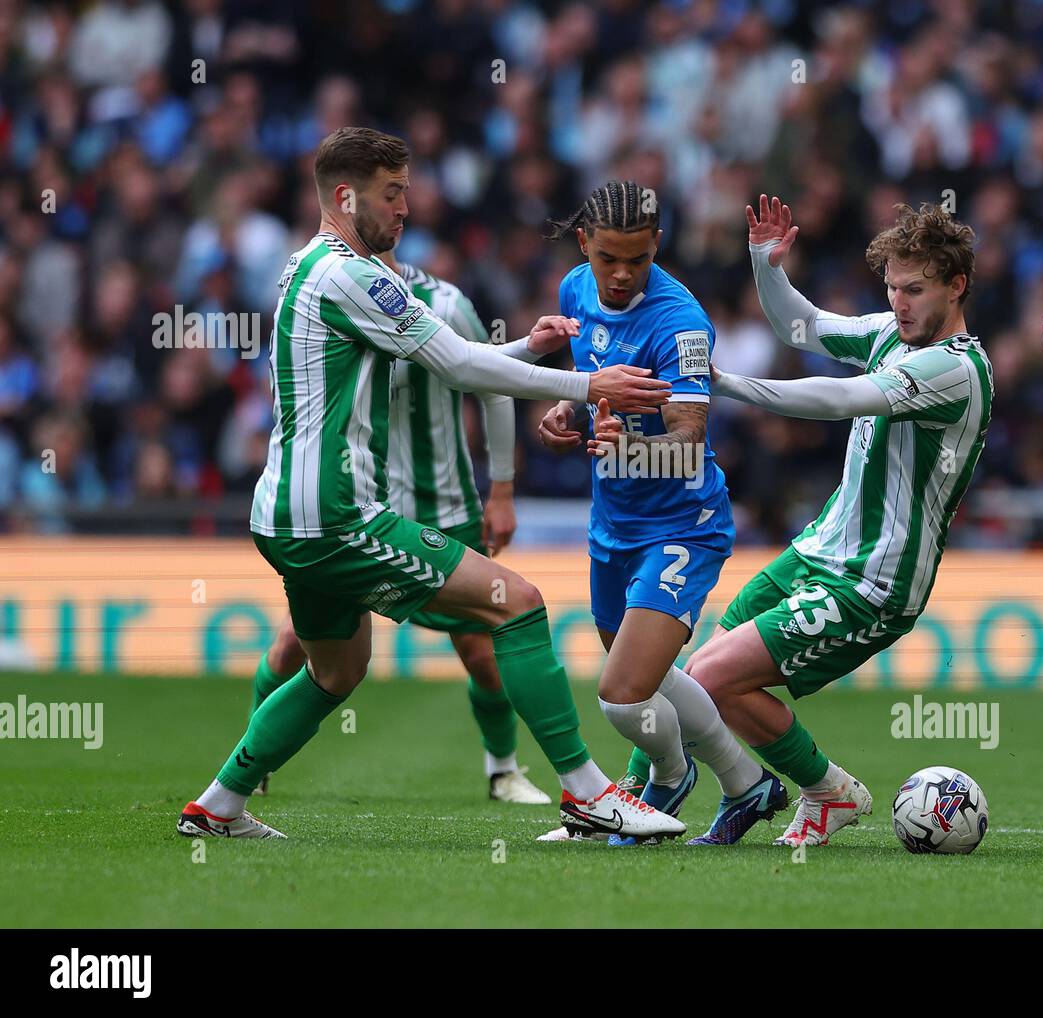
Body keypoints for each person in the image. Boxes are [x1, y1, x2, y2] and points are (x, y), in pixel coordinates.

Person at [176, 127, 684, 843]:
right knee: (518, 602)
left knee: (336, 670)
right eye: (394, 193)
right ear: (347, 197)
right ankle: (588, 793)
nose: (407, 207)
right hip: (336, 514)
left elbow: (448, 360)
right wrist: (587, 382)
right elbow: (460, 370)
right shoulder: (354, 274)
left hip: (283, 513)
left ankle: (216, 807)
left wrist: (525, 349)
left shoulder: (309, 267)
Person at [590, 196, 993, 846]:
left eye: (914, 290)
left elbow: (841, 398)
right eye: (892, 288)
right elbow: (802, 328)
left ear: (957, 285)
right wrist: (766, 266)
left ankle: (823, 790)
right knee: (690, 665)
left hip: (873, 581)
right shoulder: (896, 333)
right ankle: (637, 797)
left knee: (714, 679)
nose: (899, 303)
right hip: (818, 551)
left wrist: (726, 384)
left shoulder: (957, 370)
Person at [247, 243, 550, 806]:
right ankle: (254, 757)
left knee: (483, 647)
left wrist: (502, 488)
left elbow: (491, 379)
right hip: (358, 506)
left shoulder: (444, 303)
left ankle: (503, 770)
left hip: (446, 505)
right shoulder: (331, 292)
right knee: (299, 643)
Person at [535, 181, 780, 845]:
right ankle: (747, 785)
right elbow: (596, 383)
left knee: (620, 691)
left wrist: (633, 443)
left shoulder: (682, 322)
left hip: (682, 525)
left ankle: (667, 779)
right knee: (651, 676)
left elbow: (689, 433)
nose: (619, 275)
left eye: (636, 260)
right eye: (607, 257)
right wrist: (571, 409)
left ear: (657, 247)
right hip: (612, 522)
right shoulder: (573, 290)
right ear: (584, 242)